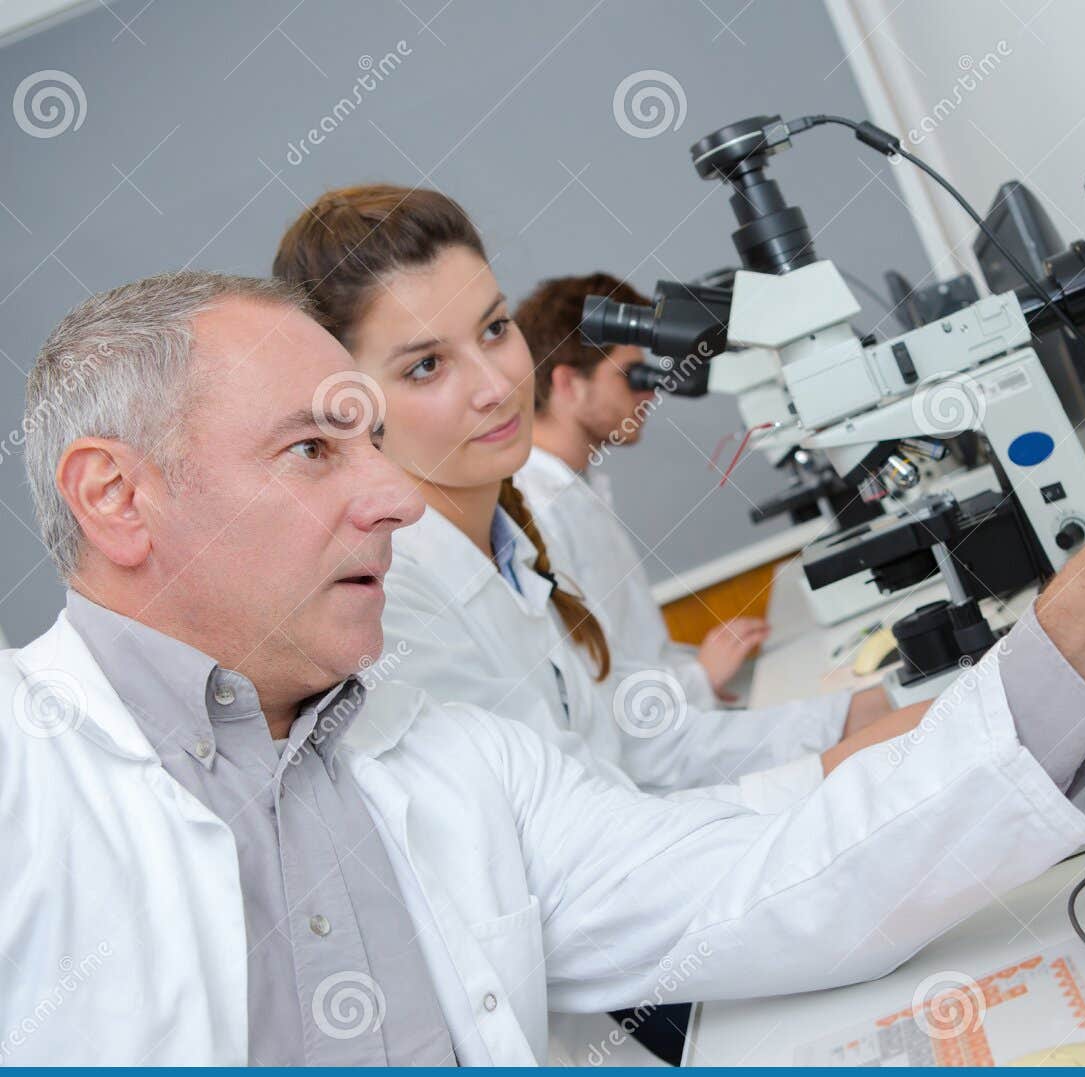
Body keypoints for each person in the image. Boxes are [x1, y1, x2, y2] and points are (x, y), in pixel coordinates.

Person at [3, 268, 1085, 1065]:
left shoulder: (456, 762)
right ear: (118, 499)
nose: (393, 501)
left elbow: (780, 892)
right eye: (313, 452)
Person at [271, 186, 904, 815]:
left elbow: (637, 752)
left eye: (495, 329)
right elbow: (581, 859)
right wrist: (842, 770)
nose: (496, 386)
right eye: (426, 366)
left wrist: (860, 715)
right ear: (352, 406)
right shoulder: (394, 610)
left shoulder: (510, 545)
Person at [512, 273, 760, 707]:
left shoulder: (580, 485)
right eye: (632, 374)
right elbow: (592, 690)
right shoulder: (539, 510)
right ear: (569, 383)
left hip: (669, 720)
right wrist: (699, 678)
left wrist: (697, 673)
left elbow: (631, 651)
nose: (651, 391)